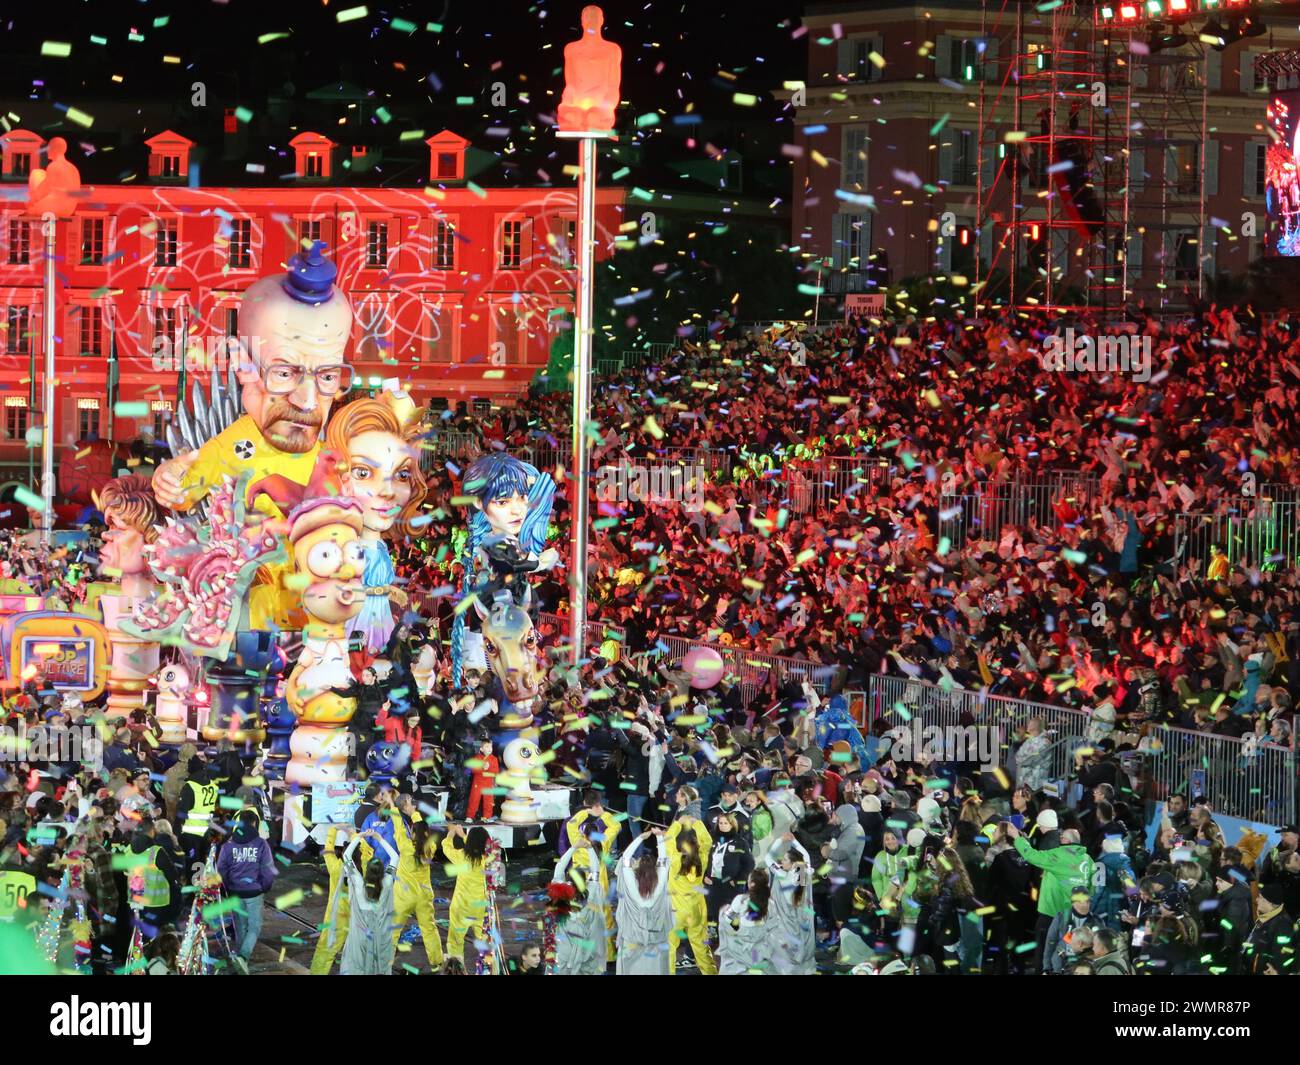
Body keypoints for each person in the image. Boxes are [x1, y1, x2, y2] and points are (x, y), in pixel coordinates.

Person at [1006, 822, 1095, 973]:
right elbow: (1091, 889)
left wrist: (1016, 837)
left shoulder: (1059, 855)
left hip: (1051, 913)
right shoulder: (1088, 860)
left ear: (1066, 841)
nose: (1059, 839)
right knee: (1067, 950)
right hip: (1074, 915)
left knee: (1046, 950)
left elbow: (1032, 856)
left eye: (1061, 837)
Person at [215, 808, 278, 972]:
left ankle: (242, 961)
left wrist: (227, 887)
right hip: (254, 892)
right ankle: (243, 957)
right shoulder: (261, 844)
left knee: (240, 927)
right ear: (254, 823)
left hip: (235, 891)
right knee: (255, 926)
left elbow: (221, 869)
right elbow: (268, 870)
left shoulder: (228, 845)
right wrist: (264, 886)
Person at [389, 797, 445, 969]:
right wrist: (414, 814)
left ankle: (386, 962)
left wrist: (393, 806)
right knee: (429, 928)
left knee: (393, 930)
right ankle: (436, 963)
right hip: (424, 895)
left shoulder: (406, 847)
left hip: (404, 896)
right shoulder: (431, 848)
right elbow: (421, 829)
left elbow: (398, 827)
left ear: (412, 833)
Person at [338, 829, 400, 975]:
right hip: (380, 937)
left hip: (359, 936)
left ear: (367, 870)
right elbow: (395, 857)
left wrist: (359, 836)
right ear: (382, 871)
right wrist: (379, 838)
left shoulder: (358, 883)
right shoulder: (387, 883)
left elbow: (346, 855)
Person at [548, 837, 609, 975]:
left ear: (568, 878)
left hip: (565, 948)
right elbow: (596, 870)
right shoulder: (591, 893)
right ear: (584, 879)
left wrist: (573, 847)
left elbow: (559, 868)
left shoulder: (561, 895)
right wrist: (589, 849)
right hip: (585, 949)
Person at [616, 830, 672, 975]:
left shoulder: (632, 883)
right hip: (655, 937)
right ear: (654, 869)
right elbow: (664, 860)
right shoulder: (659, 882)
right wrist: (659, 836)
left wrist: (640, 837)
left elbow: (626, 858)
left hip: (632, 937)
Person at [665, 814, 715, 974]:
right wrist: (697, 823)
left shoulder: (675, 860)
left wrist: (678, 824)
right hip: (696, 910)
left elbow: (668, 841)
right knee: (701, 946)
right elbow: (708, 842)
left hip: (675, 911)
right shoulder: (702, 859)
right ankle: (710, 972)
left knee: (670, 947)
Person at [441, 823, 492, 966]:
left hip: (461, 908)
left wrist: (452, 833)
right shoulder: (488, 861)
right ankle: (489, 970)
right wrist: (463, 836)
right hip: (481, 908)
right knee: (486, 945)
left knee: (455, 943)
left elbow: (446, 848)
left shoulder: (461, 857)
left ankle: (456, 970)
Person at [767, 833, 816, 975]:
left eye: (785, 860)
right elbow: (806, 856)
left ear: (793, 863)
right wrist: (794, 841)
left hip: (786, 925)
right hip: (803, 924)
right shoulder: (803, 874)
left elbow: (768, 858)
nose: (782, 862)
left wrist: (779, 840)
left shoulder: (782, 876)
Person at [717, 866, 778, 974]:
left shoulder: (740, 899)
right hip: (761, 950)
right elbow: (774, 927)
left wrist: (724, 912)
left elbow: (730, 922)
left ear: (752, 884)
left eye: (748, 880)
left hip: (740, 948)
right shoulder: (771, 904)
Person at [309, 826, 351, 975]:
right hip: (359, 919)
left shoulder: (336, 868)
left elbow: (327, 849)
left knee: (326, 950)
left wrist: (334, 829)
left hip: (336, 917)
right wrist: (355, 834)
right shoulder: (363, 866)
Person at [465, 736, 499, 822]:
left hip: (488, 783)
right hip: (478, 783)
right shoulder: (477, 758)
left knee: (488, 801)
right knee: (474, 799)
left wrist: (488, 768)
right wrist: (482, 767)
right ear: (481, 749)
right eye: (486, 747)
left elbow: (496, 771)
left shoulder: (494, 759)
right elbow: (473, 770)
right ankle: (470, 816)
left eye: (490, 746)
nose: (489, 749)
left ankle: (487, 817)